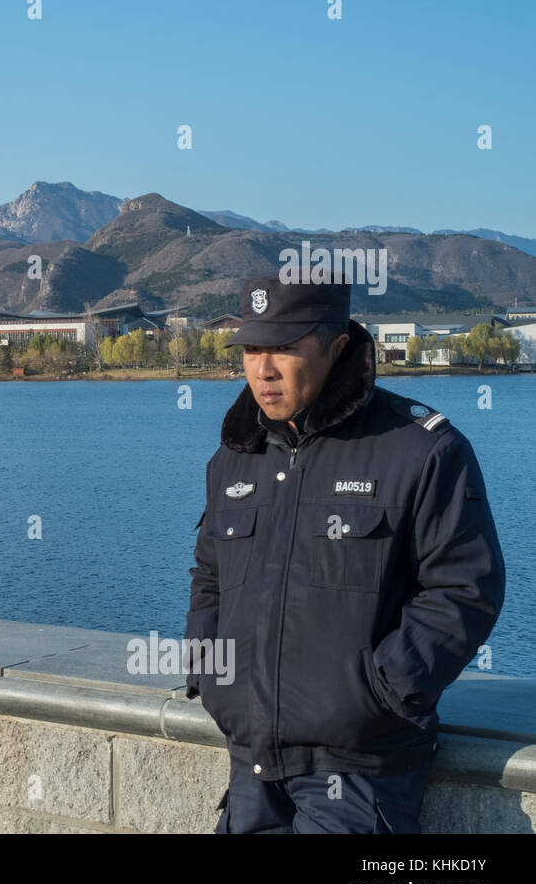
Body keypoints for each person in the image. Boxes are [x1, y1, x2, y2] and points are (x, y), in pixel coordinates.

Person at [184, 272, 505, 833]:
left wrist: (380, 693)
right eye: (252, 348)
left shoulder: (420, 449)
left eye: (284, 348)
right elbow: (210, 575)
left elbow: (465, 589)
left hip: (359, 775)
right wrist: (212, 676)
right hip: (250, 765)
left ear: (336, 347)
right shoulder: (237, 456)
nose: (262, 368)